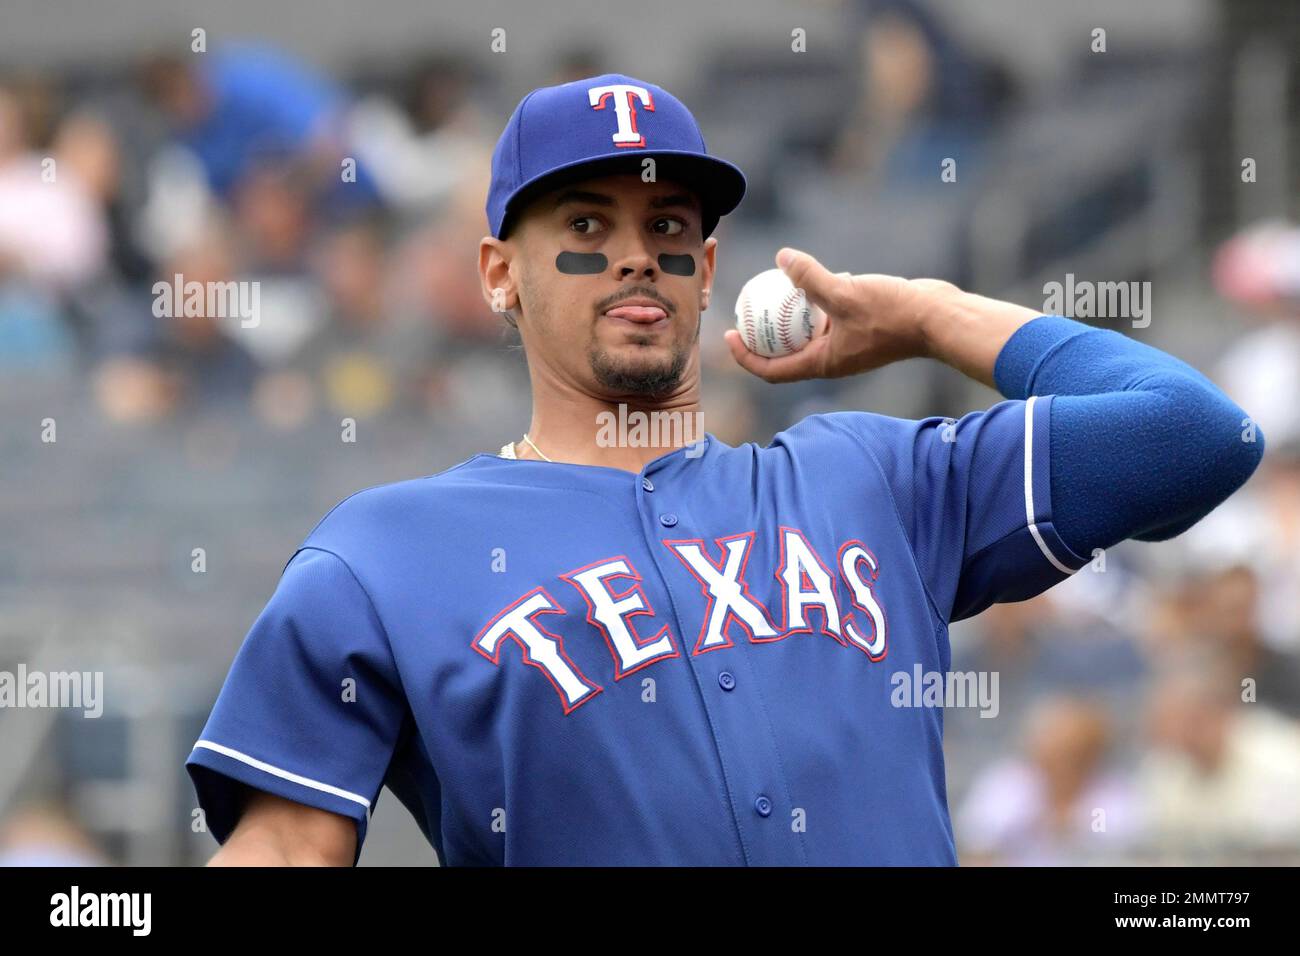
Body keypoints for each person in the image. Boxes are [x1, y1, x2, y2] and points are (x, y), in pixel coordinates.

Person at [186, 74, 1263, 866]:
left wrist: (932, 315)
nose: (633, 253)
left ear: (707, 272)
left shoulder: (874, 479)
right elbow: (281, 852)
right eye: (585, 222)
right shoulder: (382, 554)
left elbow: (1193, 433)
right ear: (498, 275)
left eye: (667, 226)